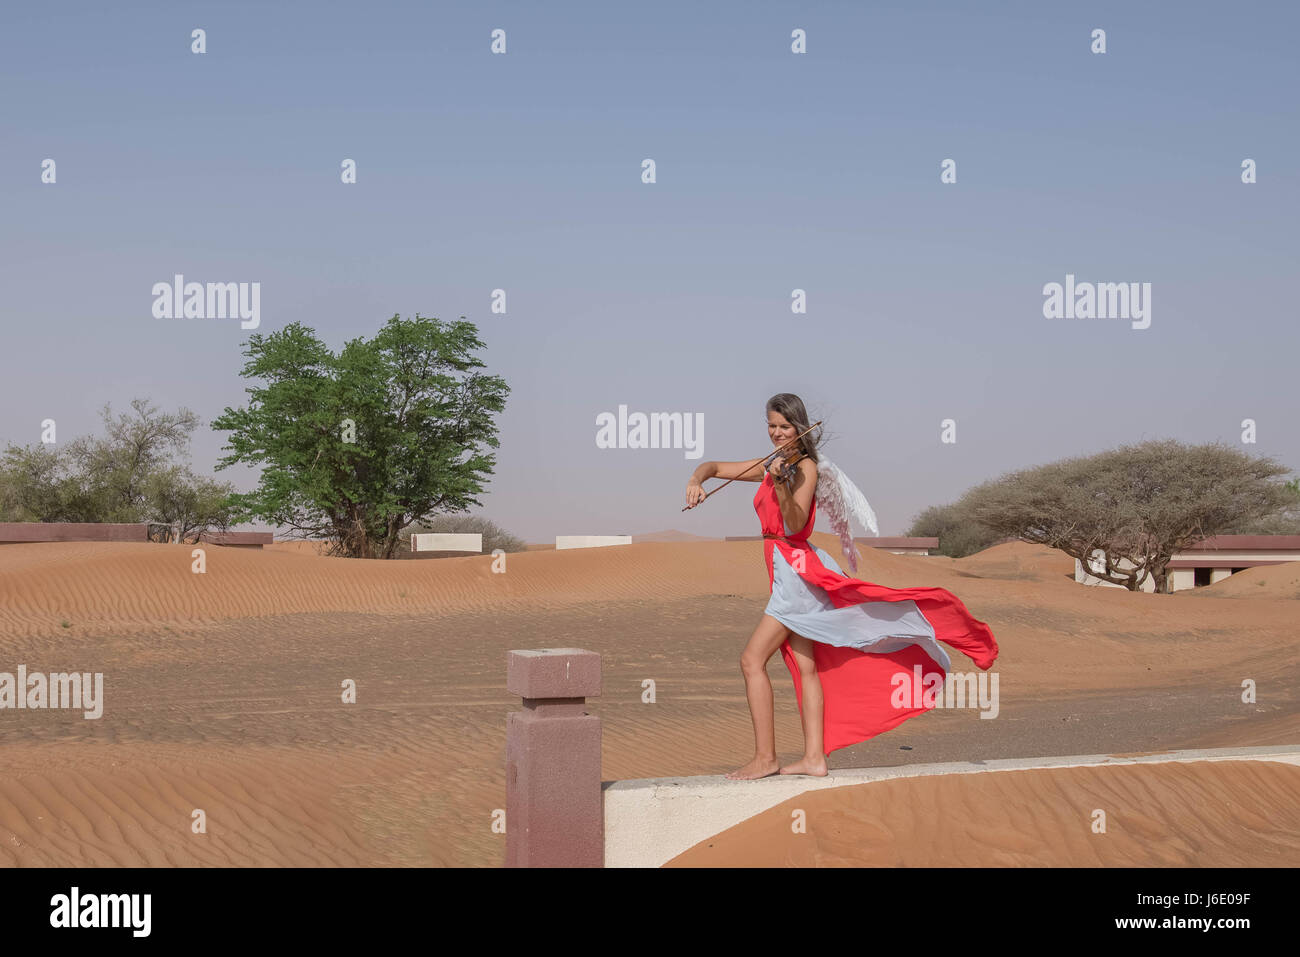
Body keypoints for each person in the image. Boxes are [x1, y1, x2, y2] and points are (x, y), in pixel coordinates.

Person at [684, 393, 999, 779]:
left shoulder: (805, 469)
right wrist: (696, 480)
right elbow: (713, 465)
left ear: (800, 427)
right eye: (772, 426)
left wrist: (783, 485)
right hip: (787, 570)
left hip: (795, 574)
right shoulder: (773, 465)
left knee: (751, 660)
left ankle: (765, 757)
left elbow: (796, 525)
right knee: (805, 666)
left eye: (785, 426)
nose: (777, 433)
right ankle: (815, 758)